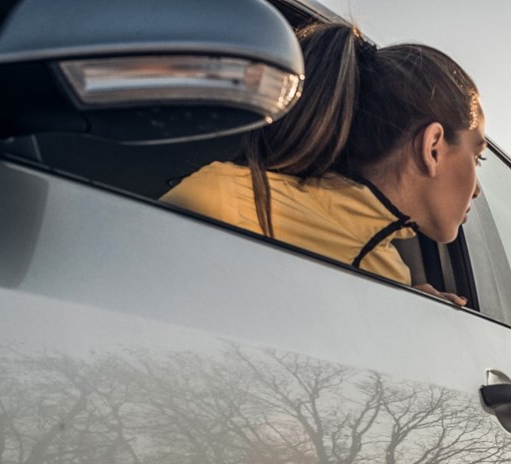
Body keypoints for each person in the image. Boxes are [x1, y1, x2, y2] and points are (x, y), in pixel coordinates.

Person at [161, 22, 483, 304]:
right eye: (477, 157)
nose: (477, 190)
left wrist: (406, 313)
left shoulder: (393, 273)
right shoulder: (224, 203)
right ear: (433, 148)